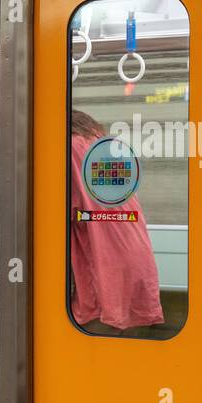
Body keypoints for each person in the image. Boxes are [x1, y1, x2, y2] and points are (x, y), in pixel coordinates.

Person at [69, 111, 164, 331]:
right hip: (136, 254)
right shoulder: (103, 145)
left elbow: (67, 206)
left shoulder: (73, 147)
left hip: (107, 262)